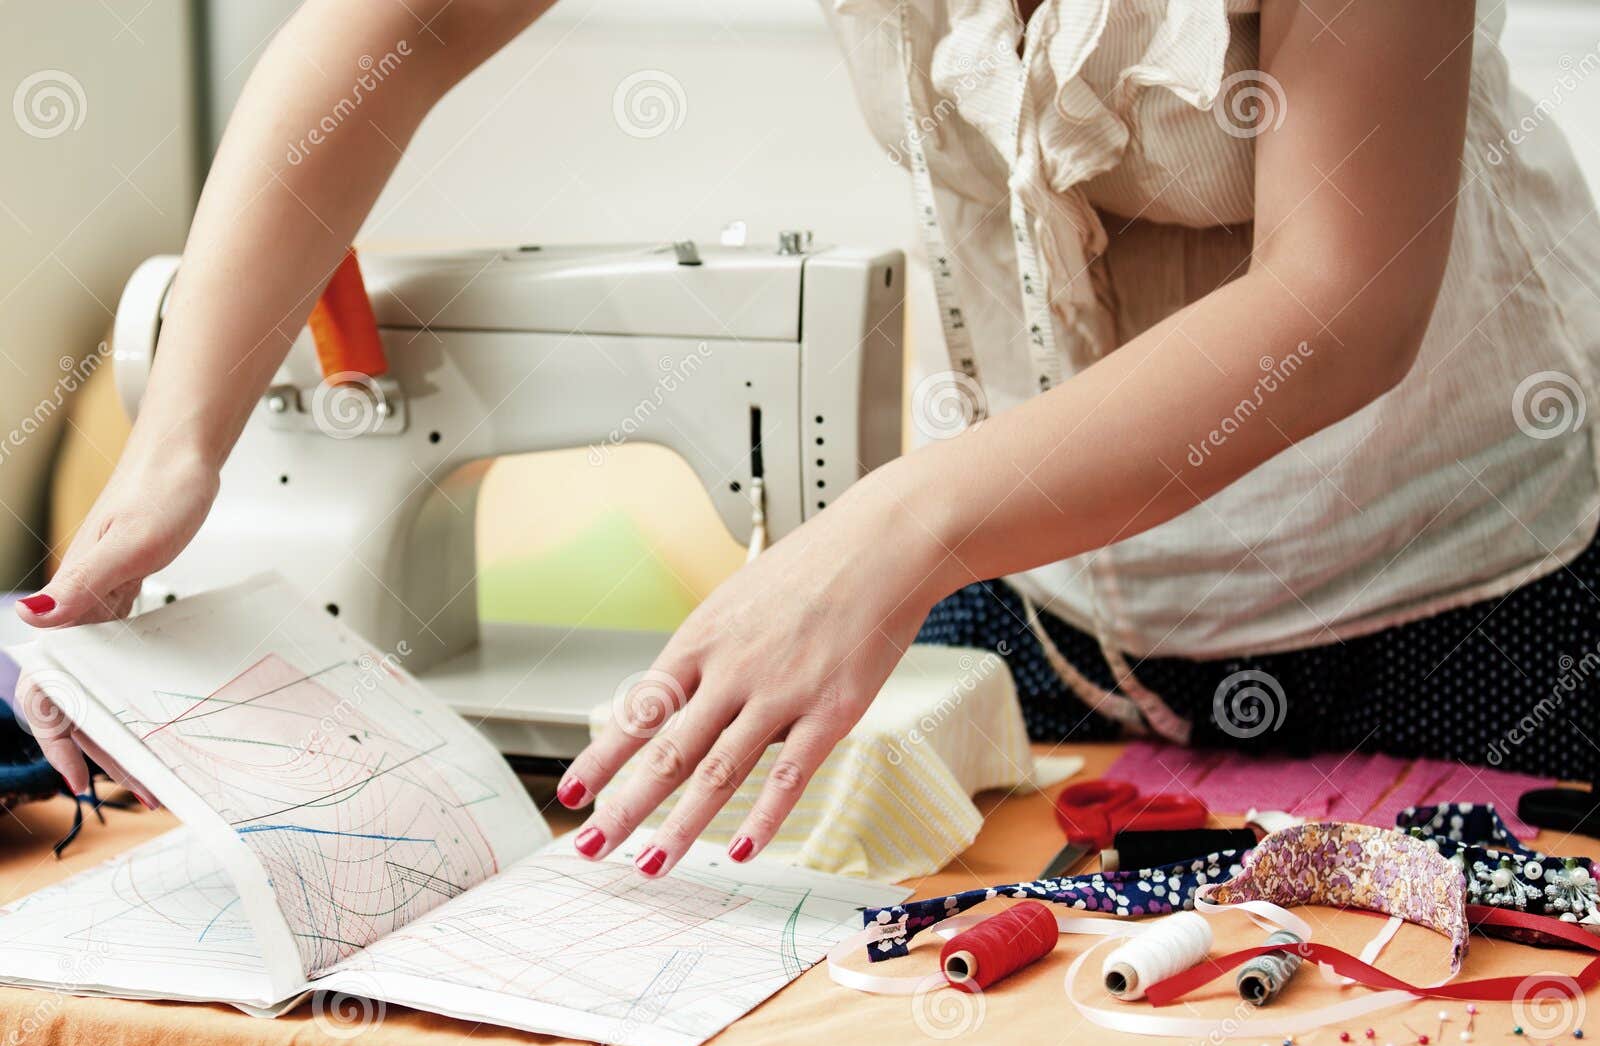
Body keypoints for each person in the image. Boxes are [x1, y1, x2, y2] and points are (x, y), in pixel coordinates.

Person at [18, 1, 1600, 881]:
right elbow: (400, 28)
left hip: (1472, 594)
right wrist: (182, 441)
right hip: (1046, 602)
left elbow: (1338, 297)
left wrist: (893, 528)